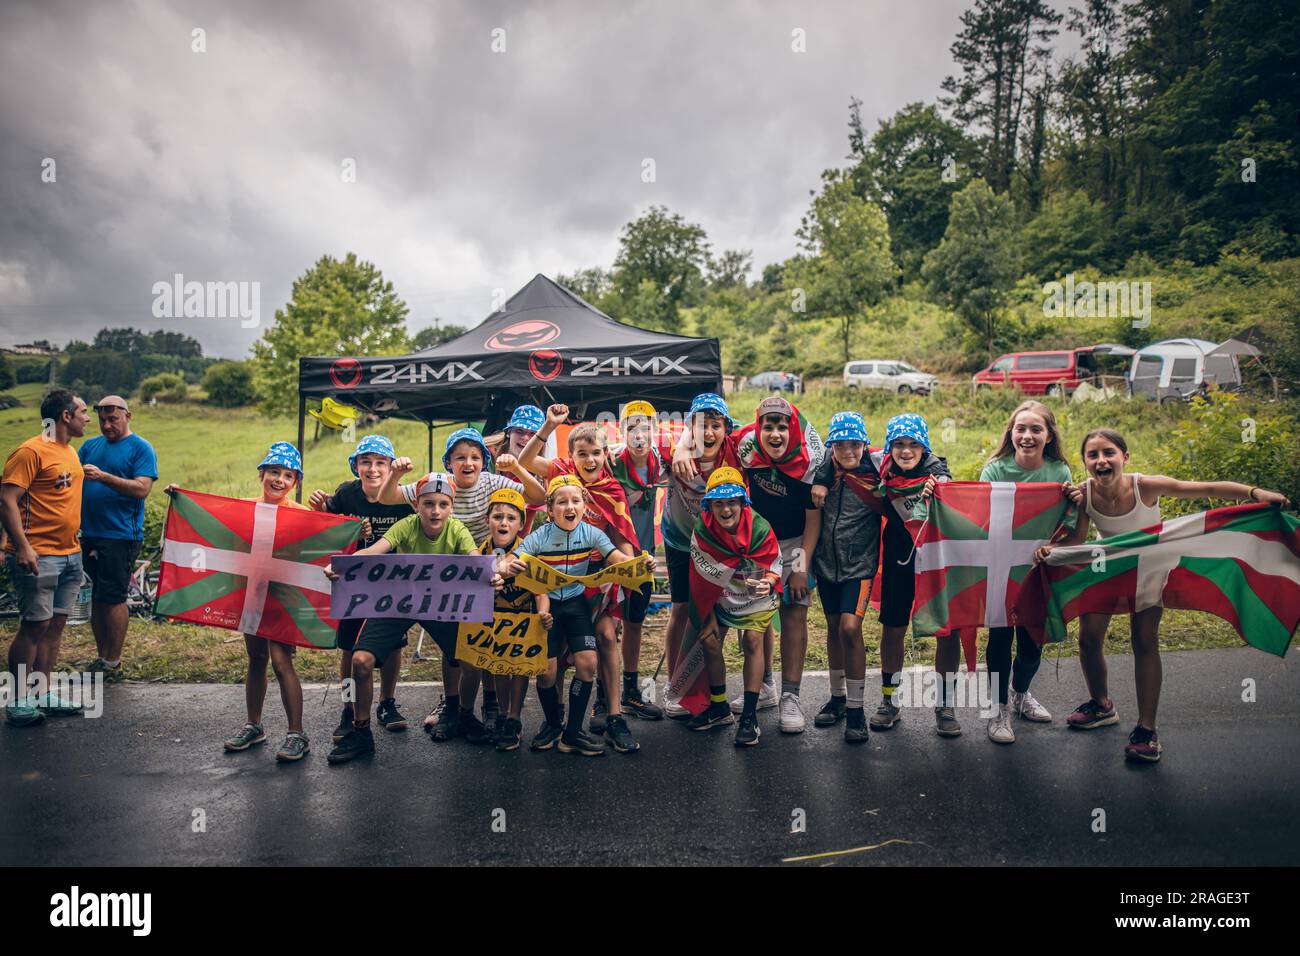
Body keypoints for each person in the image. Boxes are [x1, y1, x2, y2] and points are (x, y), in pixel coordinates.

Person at [1038, 428, 1290, 763]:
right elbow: (1080, 541)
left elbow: (1207, 488)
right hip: (1108, 568)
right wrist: (1053, 551)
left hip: (1150, 568)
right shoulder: (1084, 495)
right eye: (1093, 455)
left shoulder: (1146, 486)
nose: (1101, 460)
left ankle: (1147, 729)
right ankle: (1101, 705)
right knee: (1088, 639)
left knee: (1144, 640)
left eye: (1109, 452)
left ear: (1124, 457)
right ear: (1085, 462)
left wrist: (1256, 492)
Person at [380, 427, 544, 742]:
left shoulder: (494, 481)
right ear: (449, 462)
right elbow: (386, 497)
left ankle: (491, 703)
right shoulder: (438, 484)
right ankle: (453, 705)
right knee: (455, 645)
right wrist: (396, 474)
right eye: (460, 458)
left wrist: (517, 468)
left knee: (488, 636)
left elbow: (538, 497)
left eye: (474, 457)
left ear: (484, 461)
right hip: (450, 577)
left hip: (488, 570)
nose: (467, 463)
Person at [679, 394, 824, 733]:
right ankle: (767, 686)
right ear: (757, 427)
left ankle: (791, 696)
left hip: (794, 543)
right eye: (768, 426)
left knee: (793, 611)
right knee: (755, 618)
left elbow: (813, 520)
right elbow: (704, 432)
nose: (775, 434)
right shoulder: (745, 443)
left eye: (782, 427)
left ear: (793, 429)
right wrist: (682, 449)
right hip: (753, 541)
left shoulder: (808, 458)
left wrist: (801, 566)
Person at [516, 404, 646, 753]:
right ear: (571, 455)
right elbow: (527, 462)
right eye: (582, 453)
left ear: (606, 455)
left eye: (596, 453)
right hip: (558, 577)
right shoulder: (559, 472)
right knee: (554, 651)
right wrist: (548, 426)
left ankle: (614, 714)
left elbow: (621, 539)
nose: (590, 460)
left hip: (597, 580)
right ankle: (554, 720)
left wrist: (632, 567)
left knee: (604, 637)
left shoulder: (613, 489)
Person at [324, 471, 477, 764]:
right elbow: (374, 551)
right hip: (400, 600)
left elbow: (472, 557)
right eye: (428, 504)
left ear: (451, 507)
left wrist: (492, 573)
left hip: (439, 604)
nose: (435, 511)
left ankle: (461, 715)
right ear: (416, 506)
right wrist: (344, 566)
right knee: (360, 660)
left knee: (469, 659)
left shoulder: (457, 530)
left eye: (443, 504)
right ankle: (361, 731)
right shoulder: (406, 526)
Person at [195, 443, 313, 762]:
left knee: (280, 659)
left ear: (295, 483)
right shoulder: (243, 508)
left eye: (288, 475)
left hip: (284, 598)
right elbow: (213, 521)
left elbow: (321, 547)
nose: (279, 479)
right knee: (256, 657)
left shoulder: (302, 515)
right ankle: (254, 725)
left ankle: (296, 733)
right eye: (274, 472)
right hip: (252, 594)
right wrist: (180, 497)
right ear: (262, 474)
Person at [308, 434, 413, 743]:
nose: (373, 468)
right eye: (365, 462)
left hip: (394, 581)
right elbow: (330, 527)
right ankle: (348, 707)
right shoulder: (347, 495)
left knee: (394, 646)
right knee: (350, 649)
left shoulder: (403, 497)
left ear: (390, 466)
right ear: (355, 467)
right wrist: (322, 506)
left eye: (380, 462)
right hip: (354, 583)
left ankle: (386, 703)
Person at [858, 413, 958, 737]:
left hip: (936, 557)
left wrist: (942, 486)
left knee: (946, 631)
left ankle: (945, 705)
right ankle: (889, 701)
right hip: (899, 557)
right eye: (899, 444)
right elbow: (848, 456)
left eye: (913, 444)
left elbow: (950, 486)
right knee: (893, 628)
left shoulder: (936, 471)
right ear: (890, 447)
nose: (905, 451)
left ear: (924, 446)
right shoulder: (881, 466)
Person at [980, 401, 1072, 744]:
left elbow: (1067, 523)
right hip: (1002, 565)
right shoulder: (995, 469)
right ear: (1011, 433)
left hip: (1039, 569)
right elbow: (980, 516)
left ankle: (1020, 694)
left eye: (1036, 429)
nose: (1028, 435)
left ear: (1048, 436)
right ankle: (998, 707)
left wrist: (1075, 500)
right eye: (1021, 429)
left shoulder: (1059, 473)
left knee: (1033, 643)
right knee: (1000, 638)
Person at [1, 389, 90, 726]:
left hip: (71, 554)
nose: (87, 417)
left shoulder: (69, 451)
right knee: (34, 625)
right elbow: (7, 501)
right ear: (65, 416)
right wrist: (21, 546)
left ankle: (42, 692)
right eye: (82, 411)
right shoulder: (29, 451)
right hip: (38, 555)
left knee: (55, 625)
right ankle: (18, 699)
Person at [684, 467, 782, 747]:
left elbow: (776, 562)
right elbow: (700, 578)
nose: (726, 509)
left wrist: (771, 580)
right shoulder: (702, 530)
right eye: (719, 503)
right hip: (721, 595)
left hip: (755, 595)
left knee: (753, 641)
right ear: (709, 505)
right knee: (711, 642)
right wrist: (708, 615)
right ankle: (719, 707)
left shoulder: (760, 527)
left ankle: (749, 717)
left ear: (742, 502)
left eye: (732, 502)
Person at [660, 393, 741, 719]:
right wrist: (680, 445)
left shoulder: (734, 455)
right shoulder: (672, 449)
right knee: (679, 610)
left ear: (726, 428)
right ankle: (673, 688)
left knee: (715, 616)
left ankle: (738, 687)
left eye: (715, 426)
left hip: (716, 546)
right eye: (700, 425)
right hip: (679, 541)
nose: (708, 433)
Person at [807, 412, 881, 743]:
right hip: (826, 565)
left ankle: (856, 709)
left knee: (851, 628)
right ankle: (837, 699)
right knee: (834, 629)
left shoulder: (877, 471)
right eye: (840, 445)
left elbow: (926, 461)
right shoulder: (825, 472)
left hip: (859, 566)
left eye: (855, 444)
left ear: (865, 444)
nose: (848, 451)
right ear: (831, 446)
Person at [77, 395, 157, 682]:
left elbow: (141, 489)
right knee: (96, 597)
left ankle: (114, 661)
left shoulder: (141, 448)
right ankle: (103, 657)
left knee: (113, 597)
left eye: (113, 419)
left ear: (128, 416)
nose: (107, 425)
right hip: (89, 533)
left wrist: (103, 477)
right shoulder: (89, 446)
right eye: (102, 420)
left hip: (121, 535)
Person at [476, 487, 550, 751]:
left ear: (521, 524)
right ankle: (503, 713)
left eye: (511, 517)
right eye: (497, 516)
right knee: (498, 668)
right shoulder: (480, 552)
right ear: (487, 521)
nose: (503, 522)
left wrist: (543, 612)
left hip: (523, 620)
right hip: (493, 624)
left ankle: (514, 718)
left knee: (518, 669)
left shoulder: (527, 552)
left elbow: (541, 592)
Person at [606, 400, 666, 720]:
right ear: (622, 430)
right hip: (610, 554)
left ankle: (629, 690)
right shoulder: (611, 462)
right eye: (632, 427)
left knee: (634, 622)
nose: (639, 434)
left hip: (644, 555)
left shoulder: (661, 461)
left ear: (655, 431)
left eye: (646, 427)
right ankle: (604, 695)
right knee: (607, 624)